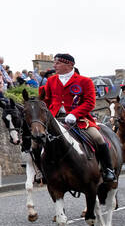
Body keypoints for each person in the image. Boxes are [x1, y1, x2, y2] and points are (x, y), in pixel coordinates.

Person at [43, 52, 115, 182]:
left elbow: (89, 102)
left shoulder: (85, 81)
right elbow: (47, 101)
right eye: (54, 62)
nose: (54, 65)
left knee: (98, 138)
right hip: (54, 119)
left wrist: (74, 114)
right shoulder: (51, 81)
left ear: (69, 64)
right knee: (37, 141)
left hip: (79, 120)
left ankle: (107, 169)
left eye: (57, 63)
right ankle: (41, 171)